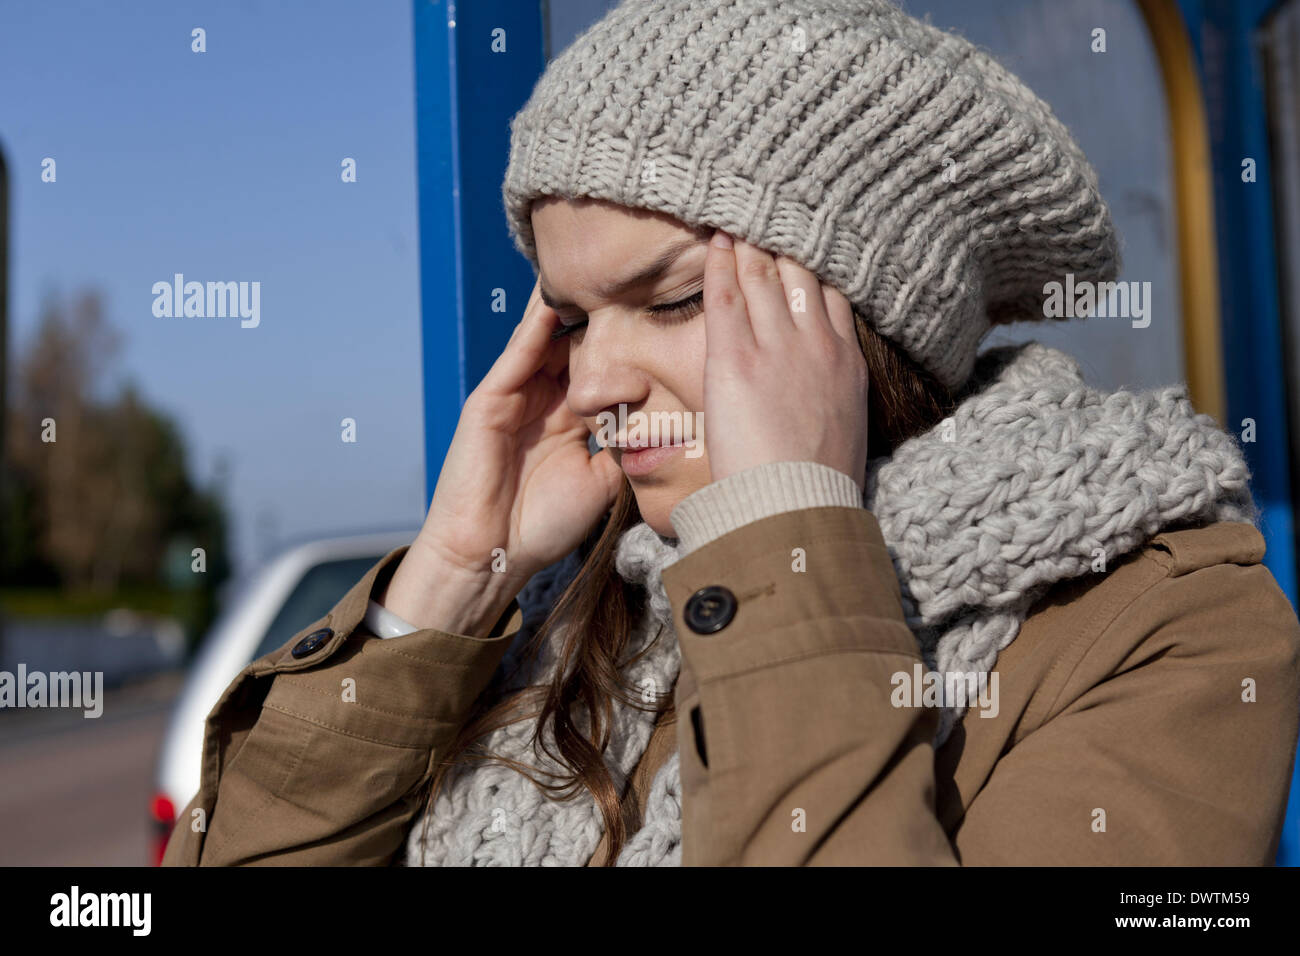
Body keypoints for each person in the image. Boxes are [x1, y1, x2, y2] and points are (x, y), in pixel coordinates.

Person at [162, 0, 1300, 867]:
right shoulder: (574, 606)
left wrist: (790, 549)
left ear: (862, 316)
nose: (594, 376)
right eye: (568, 317)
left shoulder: (1164, 619)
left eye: (670, 300)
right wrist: (451, 583)